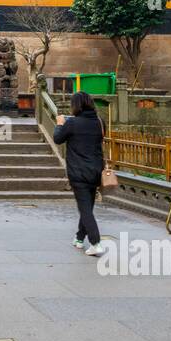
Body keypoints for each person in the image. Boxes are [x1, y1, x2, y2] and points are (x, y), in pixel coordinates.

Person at [53, 91, 107, 257]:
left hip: (79, 172)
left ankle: (96, 242)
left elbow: (57, 138)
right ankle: (79, 237)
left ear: (75, 106)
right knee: (88, 206)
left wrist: (60, 124)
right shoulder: (99, 122)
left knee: (85, 209)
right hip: (96, 171)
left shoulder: (72, 123)